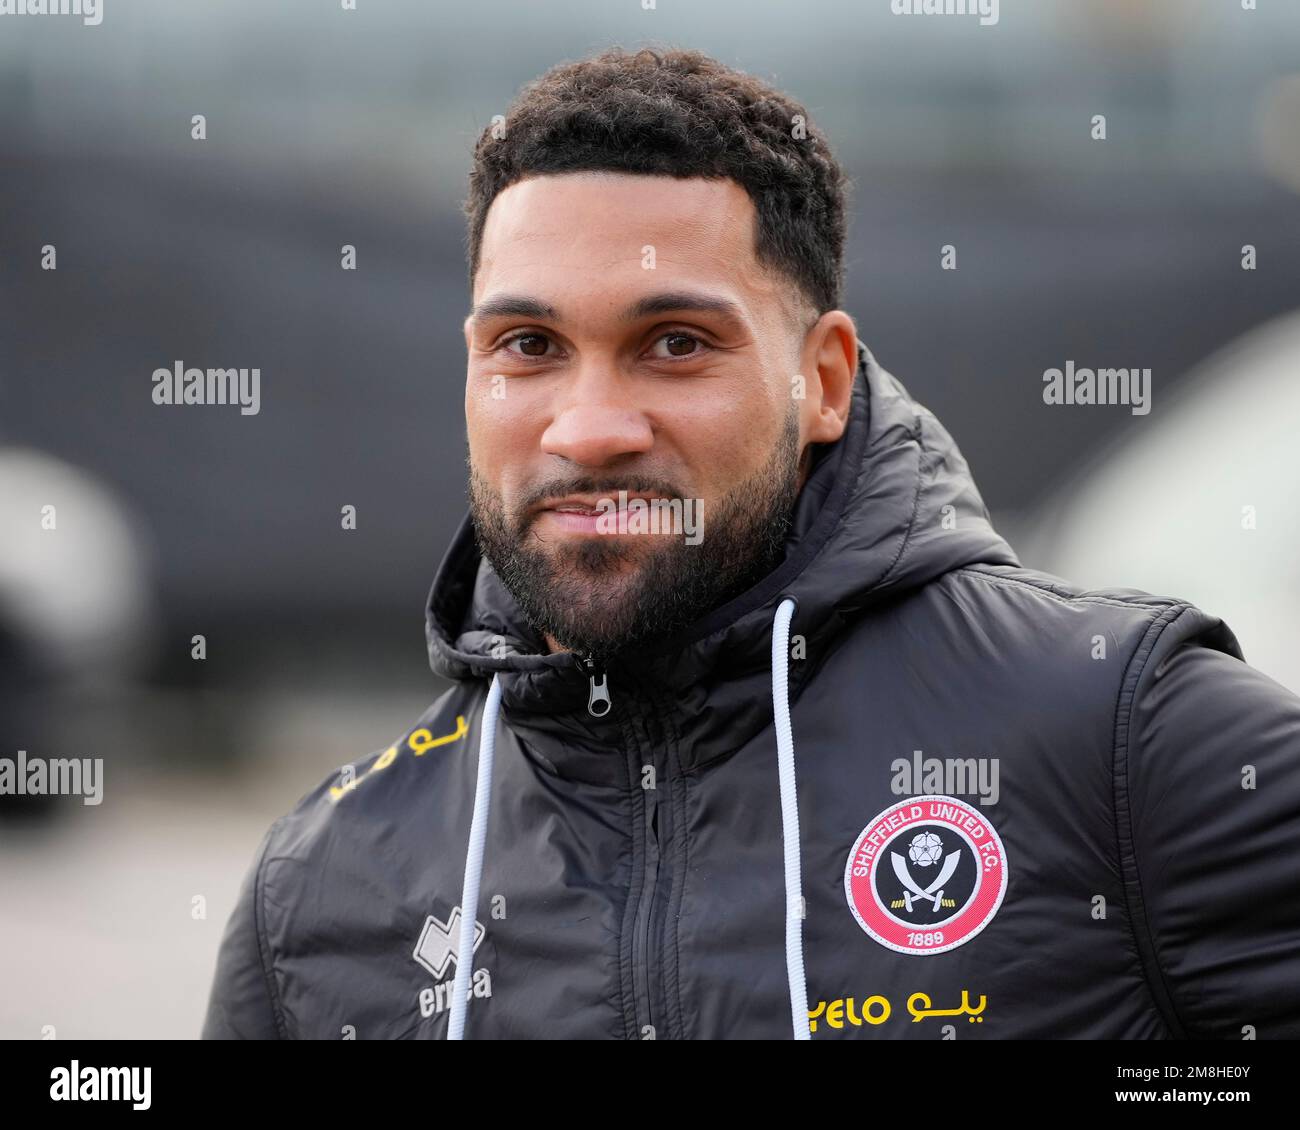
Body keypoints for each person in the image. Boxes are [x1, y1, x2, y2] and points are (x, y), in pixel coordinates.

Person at [201, 46, 1300, 1040]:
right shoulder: (321, 889)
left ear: (820, 379)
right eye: (527, 345)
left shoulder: (1129, 741)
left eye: (674, 343)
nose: (587, 427)